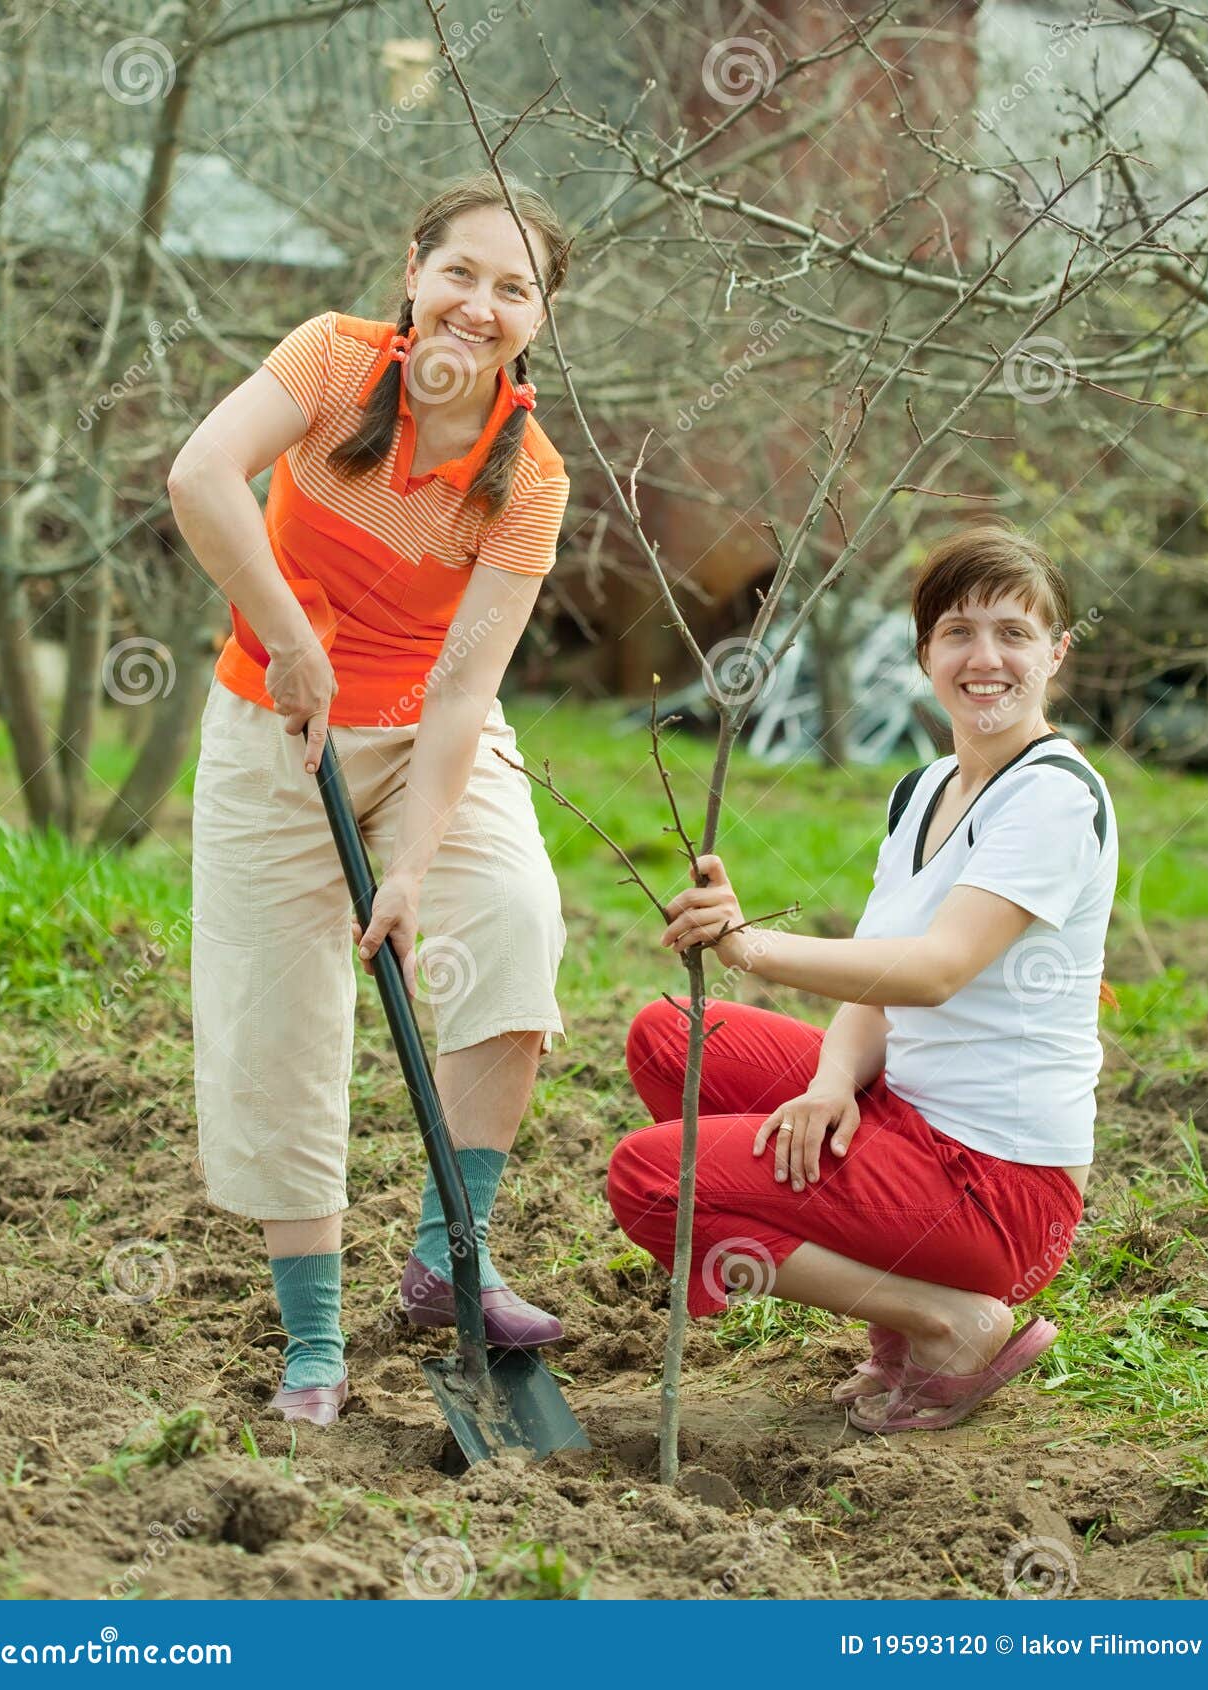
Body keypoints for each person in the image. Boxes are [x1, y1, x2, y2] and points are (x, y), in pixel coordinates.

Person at [168, 175, 573, 1428]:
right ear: (414, 270)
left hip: (422, 732)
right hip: (274, 731)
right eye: (462, 272)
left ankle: (448, 1256)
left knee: (509, 917)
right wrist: (291, 640)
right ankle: (313, 1342)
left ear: (539, 320)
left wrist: (412, 863)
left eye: (516, 289)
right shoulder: (333, 365)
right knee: (284, 1017)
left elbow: (464, 697)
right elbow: (201, 475)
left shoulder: (531, 480)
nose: (480, 305)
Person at [607, 524, 1118, 1431]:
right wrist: (831, 1082)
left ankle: (947, 1317)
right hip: (909, 1117)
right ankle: (898, 1319)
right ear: (924, 653)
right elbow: (879, 981)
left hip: (996, 1186)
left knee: (655, 1179)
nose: (985, 657)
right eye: (958, 632)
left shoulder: (1054, 797)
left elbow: (934, 971)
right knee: (671, 1037)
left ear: (1057, 652)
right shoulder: (922, 790)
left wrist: (750, 947)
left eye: (1014, 632)